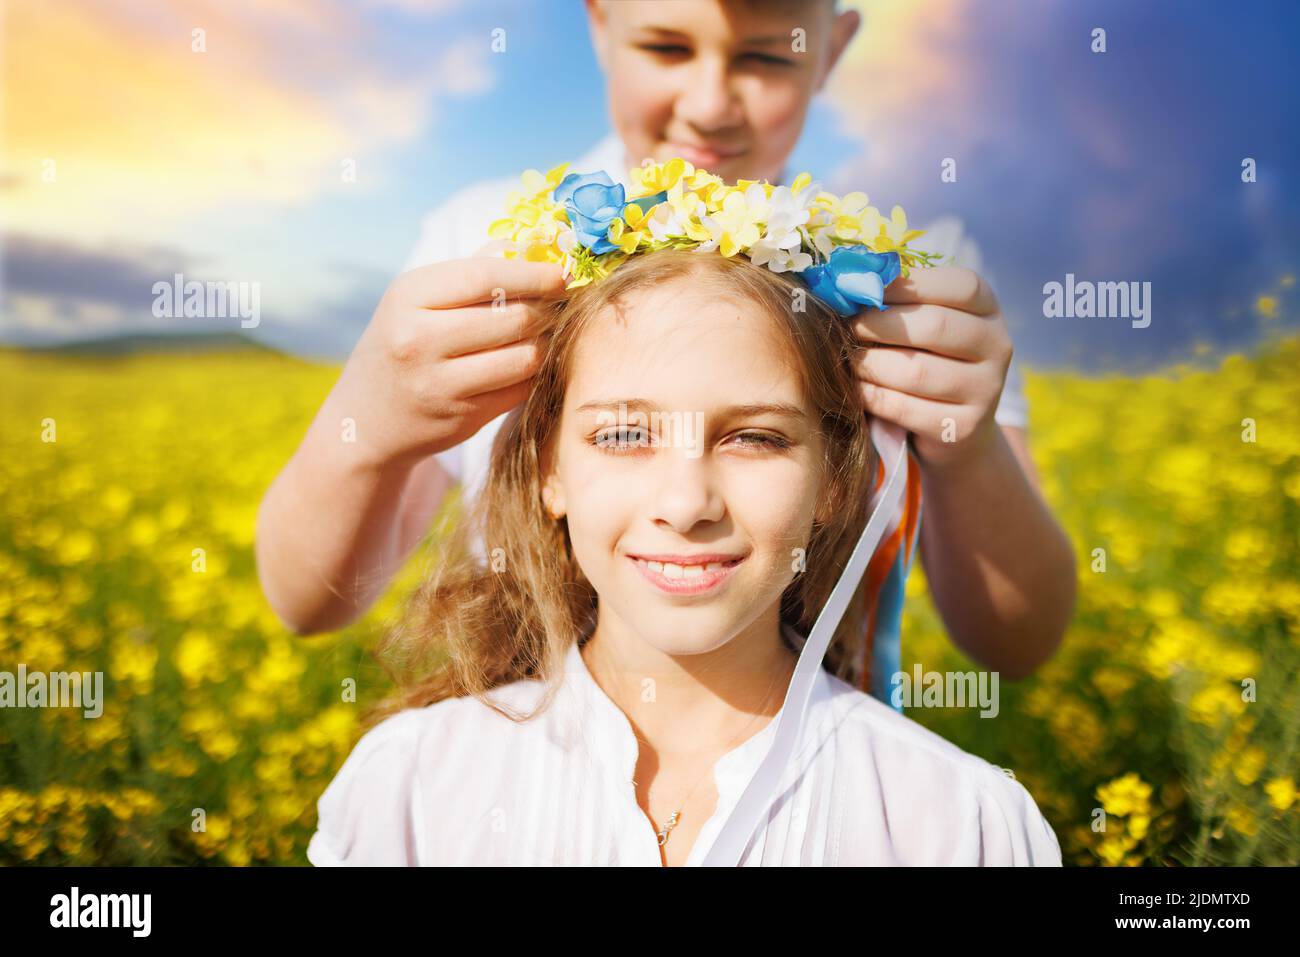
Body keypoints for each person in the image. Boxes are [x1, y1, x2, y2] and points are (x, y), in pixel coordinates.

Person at [255, 0, 1076, 690]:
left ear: (834, 46)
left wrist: (968, 455)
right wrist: (364, 420)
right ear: (601, 22)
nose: (712, 104)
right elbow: (307, 602)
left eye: (765, 55)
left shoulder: (898, 278)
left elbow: (1018, 640)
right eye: (665, 46)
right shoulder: (483, 240)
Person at [306, 234, 1063, 866]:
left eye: (755, 437)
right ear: (550, 471)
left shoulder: (961, 824)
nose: (686, 503)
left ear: (838, 480)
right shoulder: (407, 789)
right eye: (625, 435)